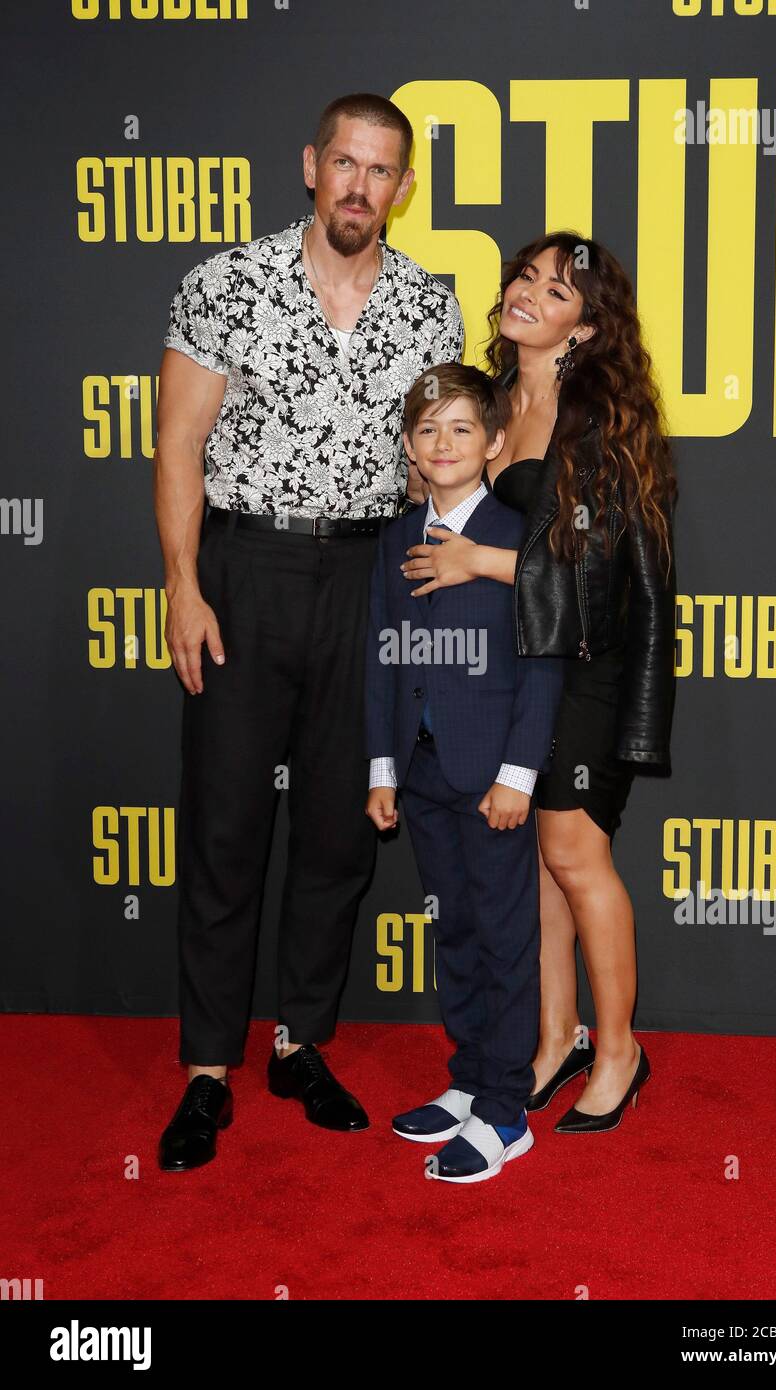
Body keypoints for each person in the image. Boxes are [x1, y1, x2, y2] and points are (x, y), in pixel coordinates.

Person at [153, 93, 464, 1172]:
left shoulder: (432, 305)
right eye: (344, 163)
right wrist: (185, 584)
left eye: (381, 172)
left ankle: (297, 1042)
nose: (358, 187)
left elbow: (445, 457)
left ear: (401, 188)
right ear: (309, 164)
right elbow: (179, 448)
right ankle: (205, 1068)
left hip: (371, 576)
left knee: (337, 827)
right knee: (227, 824)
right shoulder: (224, 282)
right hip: (249, 565)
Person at [399, 233, 677, 1134]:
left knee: (573, 854)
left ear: (587, 326)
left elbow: (591, 567)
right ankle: (555, 1035)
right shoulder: (492, 399)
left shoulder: (593, 420)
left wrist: (477, 558)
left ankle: (622, 1049)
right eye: (525, 276)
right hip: (520, 669)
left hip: (590, 666)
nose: (527, 294)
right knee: (539, 865)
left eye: (555, 290)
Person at [365, 363, 563, 1183]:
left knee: (507, 937)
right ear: (408, 445)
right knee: (457, 931)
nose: (443, 444)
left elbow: (544, 667)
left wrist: (518, 774)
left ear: (492, 442)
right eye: (426, 429)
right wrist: (382, 767)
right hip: (423, 776)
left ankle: (507, 1111)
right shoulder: (393, 540)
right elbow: (381, 661)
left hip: (493, 780)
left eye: (460, 428)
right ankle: (472, 1079)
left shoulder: (521, 539)